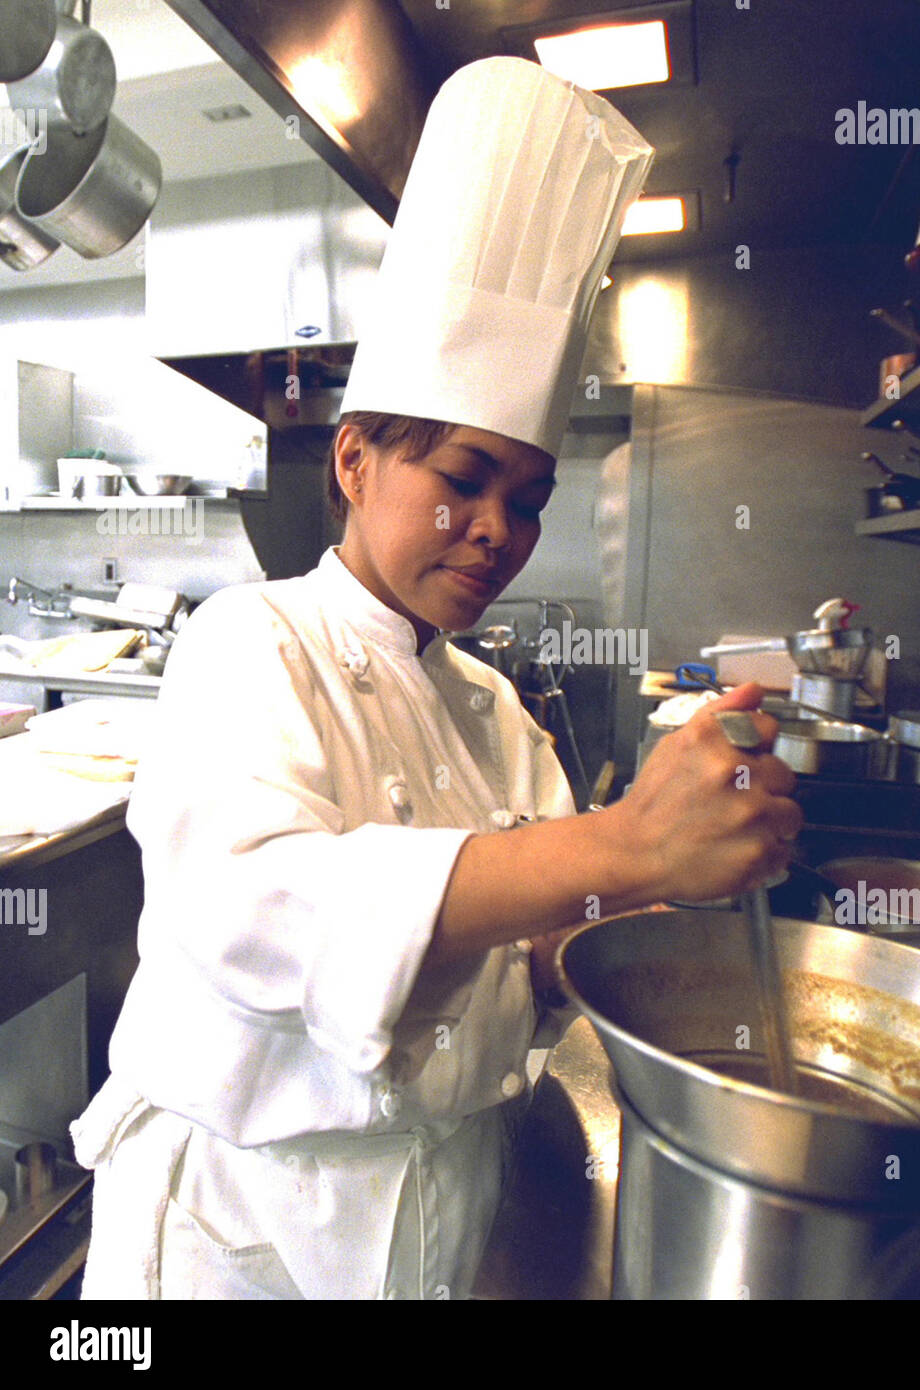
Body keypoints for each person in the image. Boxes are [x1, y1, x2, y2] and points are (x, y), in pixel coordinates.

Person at [71, 58, 801, 1301]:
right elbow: (252, 909)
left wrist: (642, 916)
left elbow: (523, 948)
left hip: (443, 1218)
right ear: (354, 459)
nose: (494, 531)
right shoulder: (252, 640)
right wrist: (620, 847)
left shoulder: (493, 708)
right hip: (249, 1232)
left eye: (526, 500)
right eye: (460, 480)